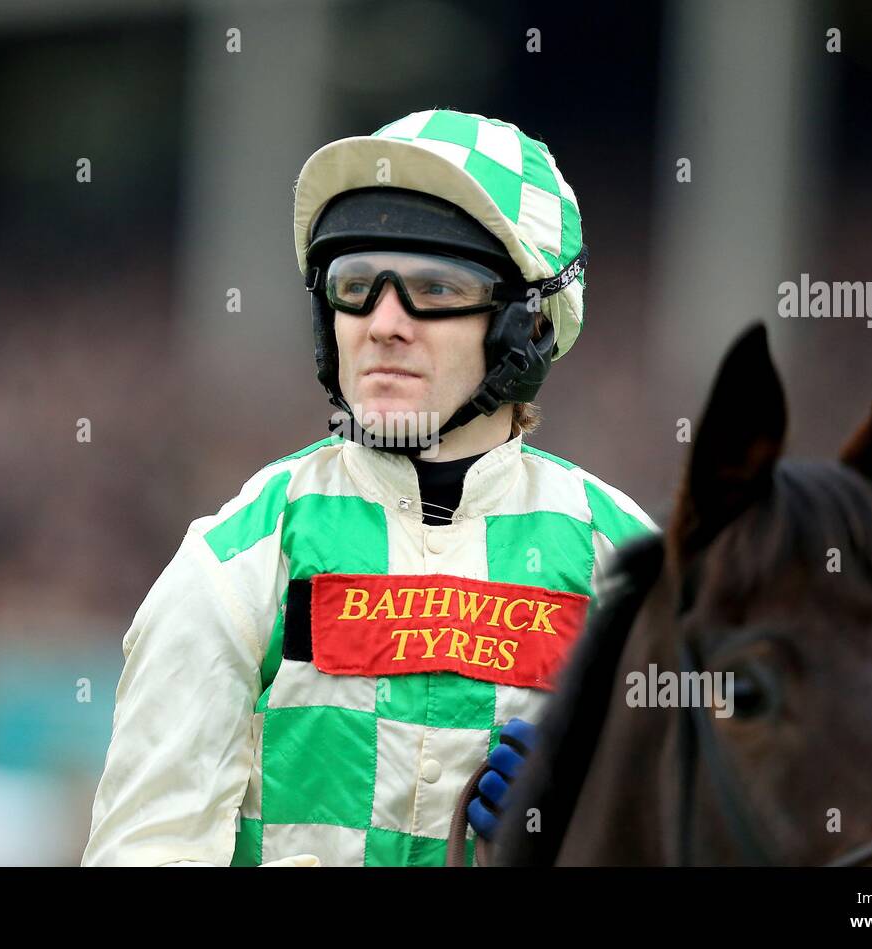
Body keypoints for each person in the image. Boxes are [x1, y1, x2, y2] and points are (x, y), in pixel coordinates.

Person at [82, 108, 656, 867]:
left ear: (528, 328)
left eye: (436, 289)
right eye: (356, 285)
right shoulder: (234, 563)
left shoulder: (633, 569)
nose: (383, 322)